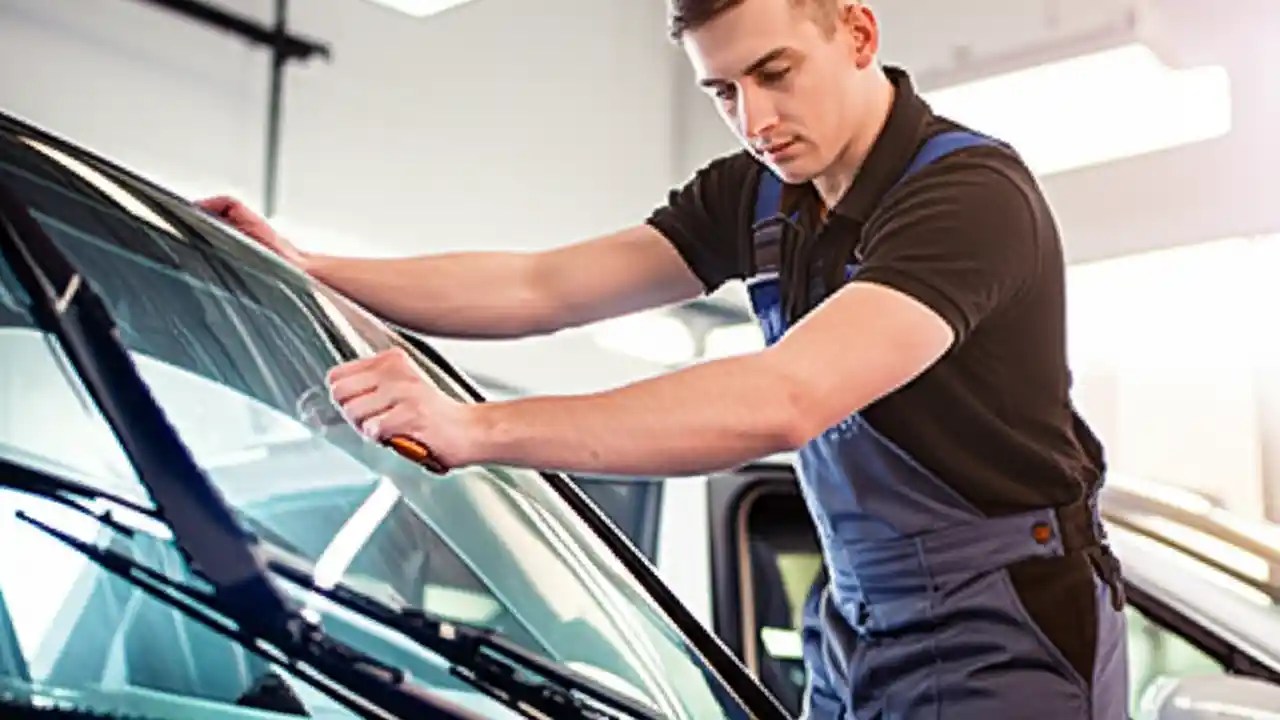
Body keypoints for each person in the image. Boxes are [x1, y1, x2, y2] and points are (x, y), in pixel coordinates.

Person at [200, 0, 1129, 717]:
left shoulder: (969, 196)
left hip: (1004, 620)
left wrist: (474, 426)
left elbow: (787, 397)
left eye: (774, 72)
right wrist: (312, 268)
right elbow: (542, 286)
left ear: (855, 31)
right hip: (854, 611)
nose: (755, 119)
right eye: (722, 92)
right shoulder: (762, 194)